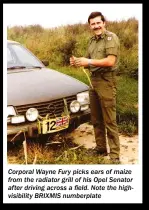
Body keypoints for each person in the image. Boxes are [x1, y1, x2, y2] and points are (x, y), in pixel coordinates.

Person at [70, 11, 120, 163]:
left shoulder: (111, 38)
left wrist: (88, 62)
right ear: (90, 26)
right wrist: (77, 61)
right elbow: (87, 60)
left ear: (104, 23)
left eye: (99, 23)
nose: (96, 26)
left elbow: (110, 61)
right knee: (96, 119)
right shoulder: (92, 41)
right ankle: (100, 149)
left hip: (106, 81)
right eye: (93, 24)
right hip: (93, 82)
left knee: (109, 120)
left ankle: (115, 156)